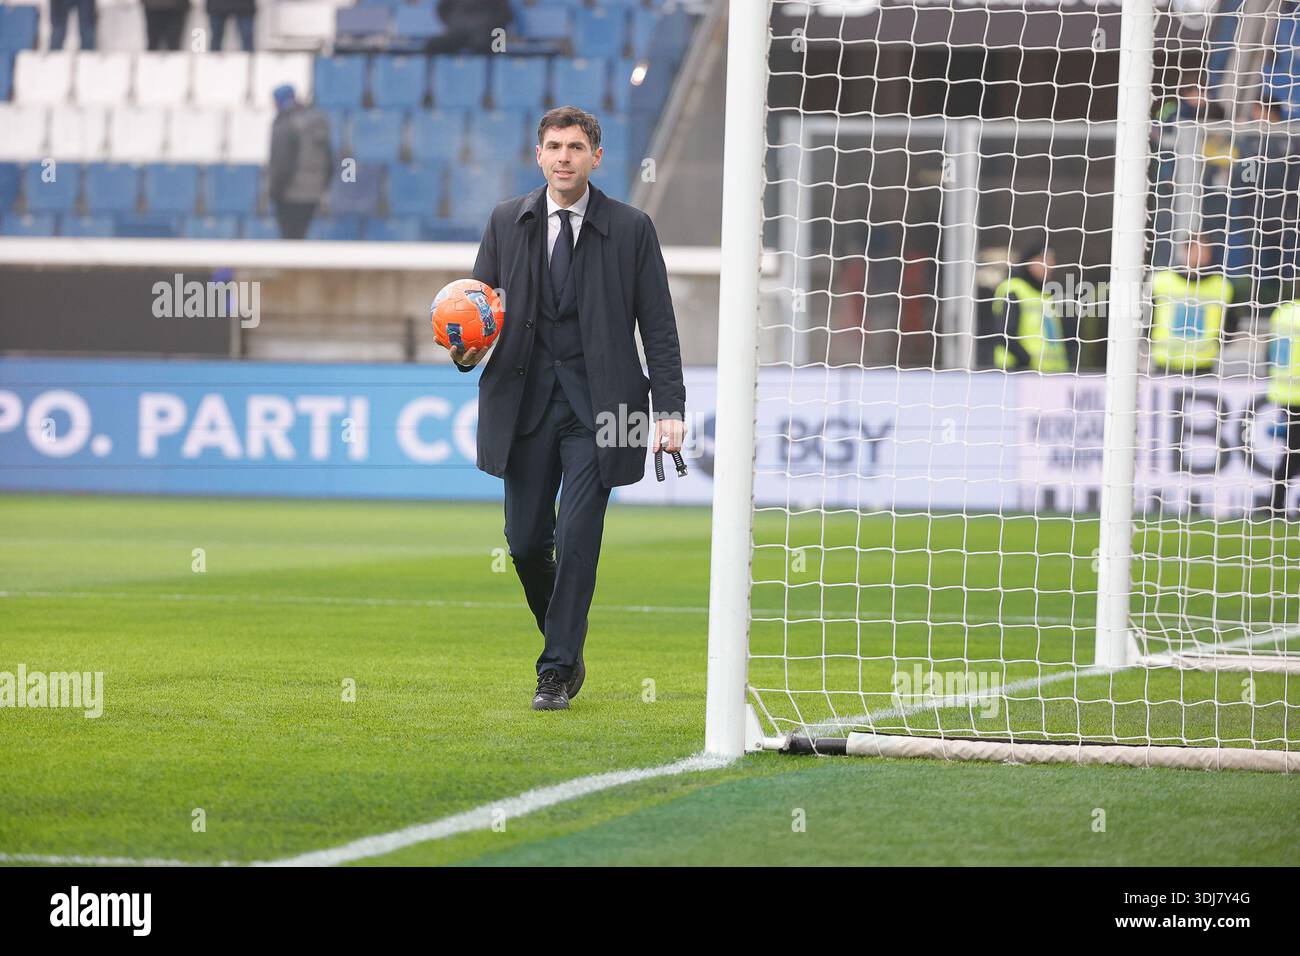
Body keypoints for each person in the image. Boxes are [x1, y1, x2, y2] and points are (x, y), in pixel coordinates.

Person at [445, 106, 686, 711]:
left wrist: (669, 409)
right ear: (538, 154)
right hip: (523, 404)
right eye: (554, 146)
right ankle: (567, 647)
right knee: (525, 542)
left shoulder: (633, 229)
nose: (563, 157)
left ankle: (554, 672)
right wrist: (462, 345)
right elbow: (479, 311)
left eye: (576, 147)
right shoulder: (507, 221)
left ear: (596, 157)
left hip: (606, 410)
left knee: (577, 537)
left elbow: (658, 325)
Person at [1149, 235, 1234, 375]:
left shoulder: (1221, 286)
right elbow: (1147, 317)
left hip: (1202, 365)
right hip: (1164, 363)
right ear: (1186, 251)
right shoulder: (1161, 281)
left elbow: (1231, 323)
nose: (1204, 256)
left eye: (1207, 251)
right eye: (1199, 250)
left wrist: (1216, 345)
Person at [1255, 294, 1300, 521]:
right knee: (1292, 453)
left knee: (1292, 452)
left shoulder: (1283, 311)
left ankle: (1276, 503)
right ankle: (1275, 504)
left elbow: (1268, 350)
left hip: (1285, 391)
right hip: (1296, 394)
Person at [992, 240, 1069, 373]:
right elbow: (1005, 333)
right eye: (1045, 260)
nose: (1051, 265)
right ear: (1030, 262)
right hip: (1018, 372)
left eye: (1052, 260)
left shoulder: (1046, 295)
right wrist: (1027, 361)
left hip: (1051, 374)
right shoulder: (1014, 289)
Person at [267, 85, 332, 240]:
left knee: (290, 239)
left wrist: (274, 191)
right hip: (313, 193)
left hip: (289, 194)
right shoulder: (317, 121)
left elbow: (282, 164)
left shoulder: (285, 123)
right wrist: (322, 186)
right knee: (301, 236)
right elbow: (331, 161)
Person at [424, 0, 513, 55]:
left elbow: (505, 15)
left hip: (484, 35)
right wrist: (454, 25)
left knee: (493, 47)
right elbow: (442, 9)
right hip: (458, 33)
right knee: (432, 46)